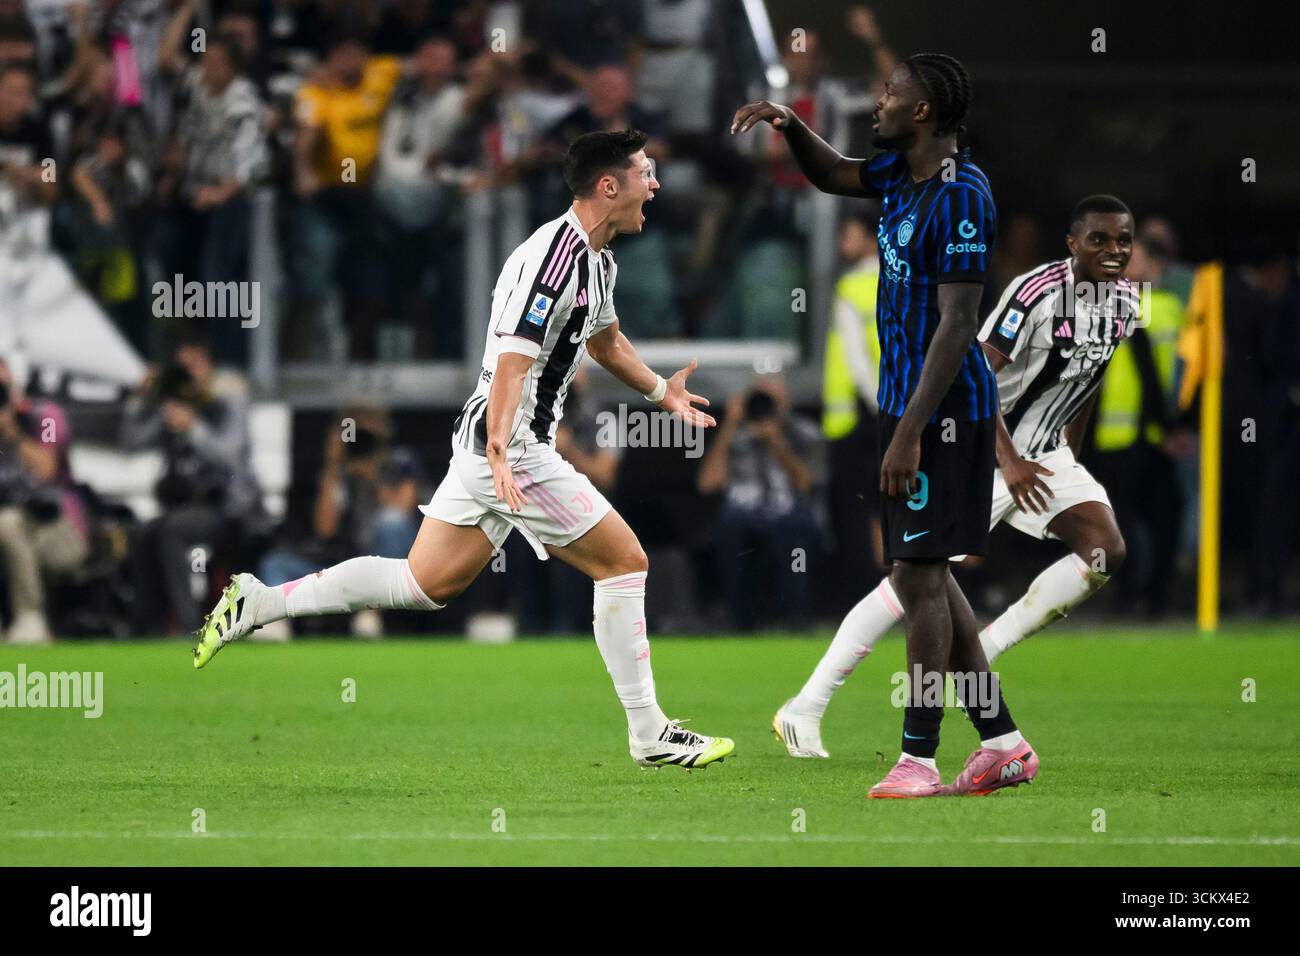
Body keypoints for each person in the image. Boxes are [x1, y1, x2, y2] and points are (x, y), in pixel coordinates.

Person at [193, 129, 736, 770]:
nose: (657, 184)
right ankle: (650, 735)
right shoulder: (556, 257)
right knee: (624, 563)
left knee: (422, 584)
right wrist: (505, 449)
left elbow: (604, 339)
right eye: (647, 172)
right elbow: (512, 360)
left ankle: (260, 600)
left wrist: (658, 392)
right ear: (608, 186)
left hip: (490, 442)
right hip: (512, 444)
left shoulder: (598, 261)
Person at [733, 53, 1036, 798]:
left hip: (944, 414)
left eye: (891, 93)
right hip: (905, 408)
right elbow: (835, 172)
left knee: (920, 578)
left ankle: (919, 758)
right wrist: (790, 125)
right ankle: (1001, 741)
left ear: (925, 110)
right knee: (921, 574)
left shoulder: (963, 196)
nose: (878, 101)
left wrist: (908, 433)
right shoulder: (900, 174)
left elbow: (960, 322)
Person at [775, 195, 1139, 758]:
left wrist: (1071, 451)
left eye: (1123, 240)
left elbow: (1087, 377)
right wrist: (1010, 459)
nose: (1113, 251)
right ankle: (806, 705)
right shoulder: (1036, 293)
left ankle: (985, 649)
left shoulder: (1127, 303)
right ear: (1072, 244)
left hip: (1046, 457)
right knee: (911, 580)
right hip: (977, 448)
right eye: (1100, 239)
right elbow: (975, 368)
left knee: (1104, 551)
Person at [696, 375, 823, 631]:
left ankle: (796, 619)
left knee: (794, 536)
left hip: (788, 512)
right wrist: (730, 425)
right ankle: (739, 620)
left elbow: (806, 484)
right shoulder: (735, 435)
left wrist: (776, 441)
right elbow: (707, 484)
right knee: (728, 530)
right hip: (742, 514)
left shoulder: (804, 433)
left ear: (785, 402)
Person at [0, 355, 89, 644]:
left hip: (58, 527)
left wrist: (12, 431)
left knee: (7, 523)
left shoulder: (45, 415)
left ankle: (30, 619)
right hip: (17, 533)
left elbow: (46, 470)